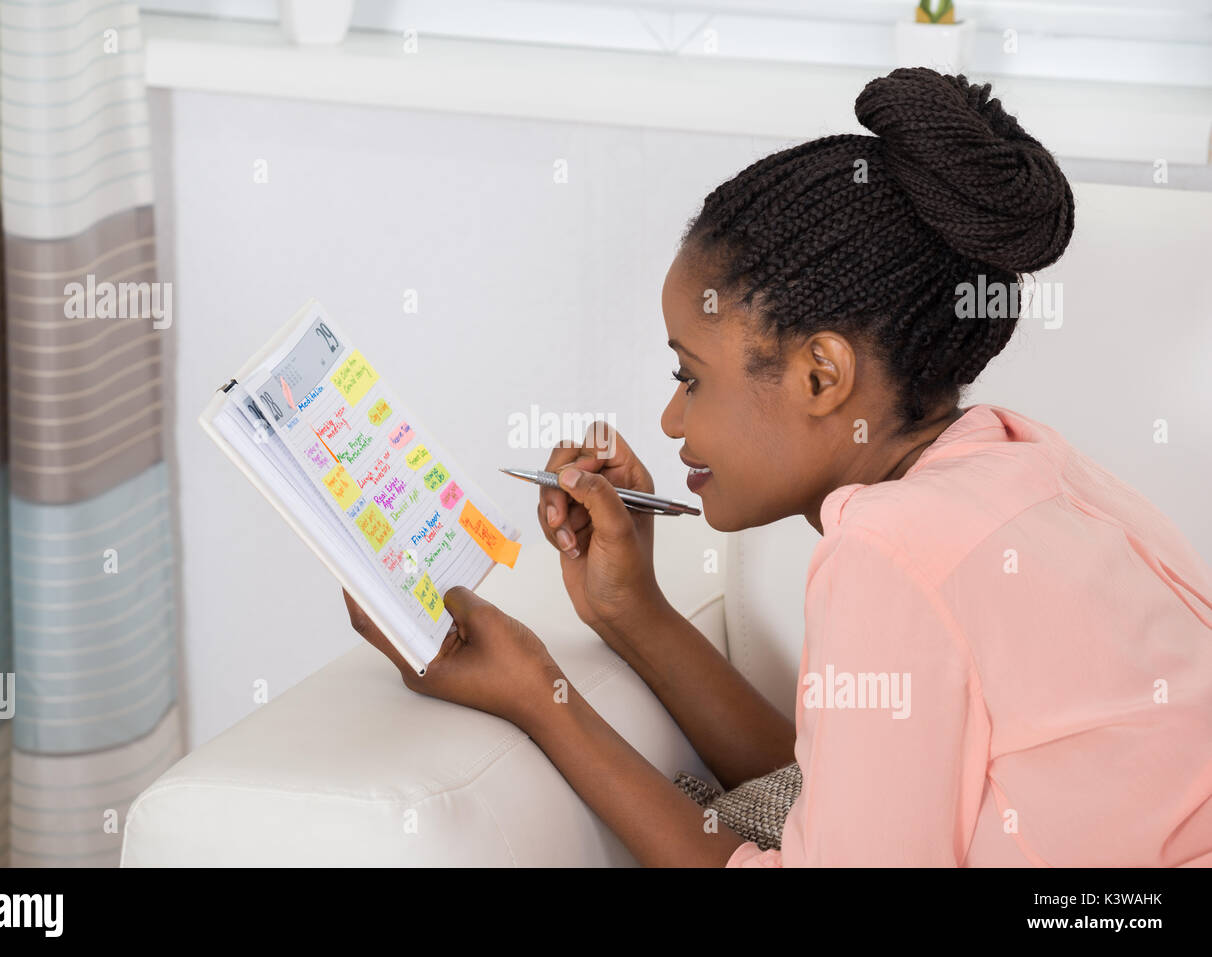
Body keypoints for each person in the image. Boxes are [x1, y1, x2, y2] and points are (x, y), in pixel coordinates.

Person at [345, 67, 1212, 867]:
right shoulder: (1025, 464)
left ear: (821, 376)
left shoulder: (893, 549)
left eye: (690, 375)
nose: (671, 417)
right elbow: (843, 799)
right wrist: (630, 609)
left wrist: (539, 694)